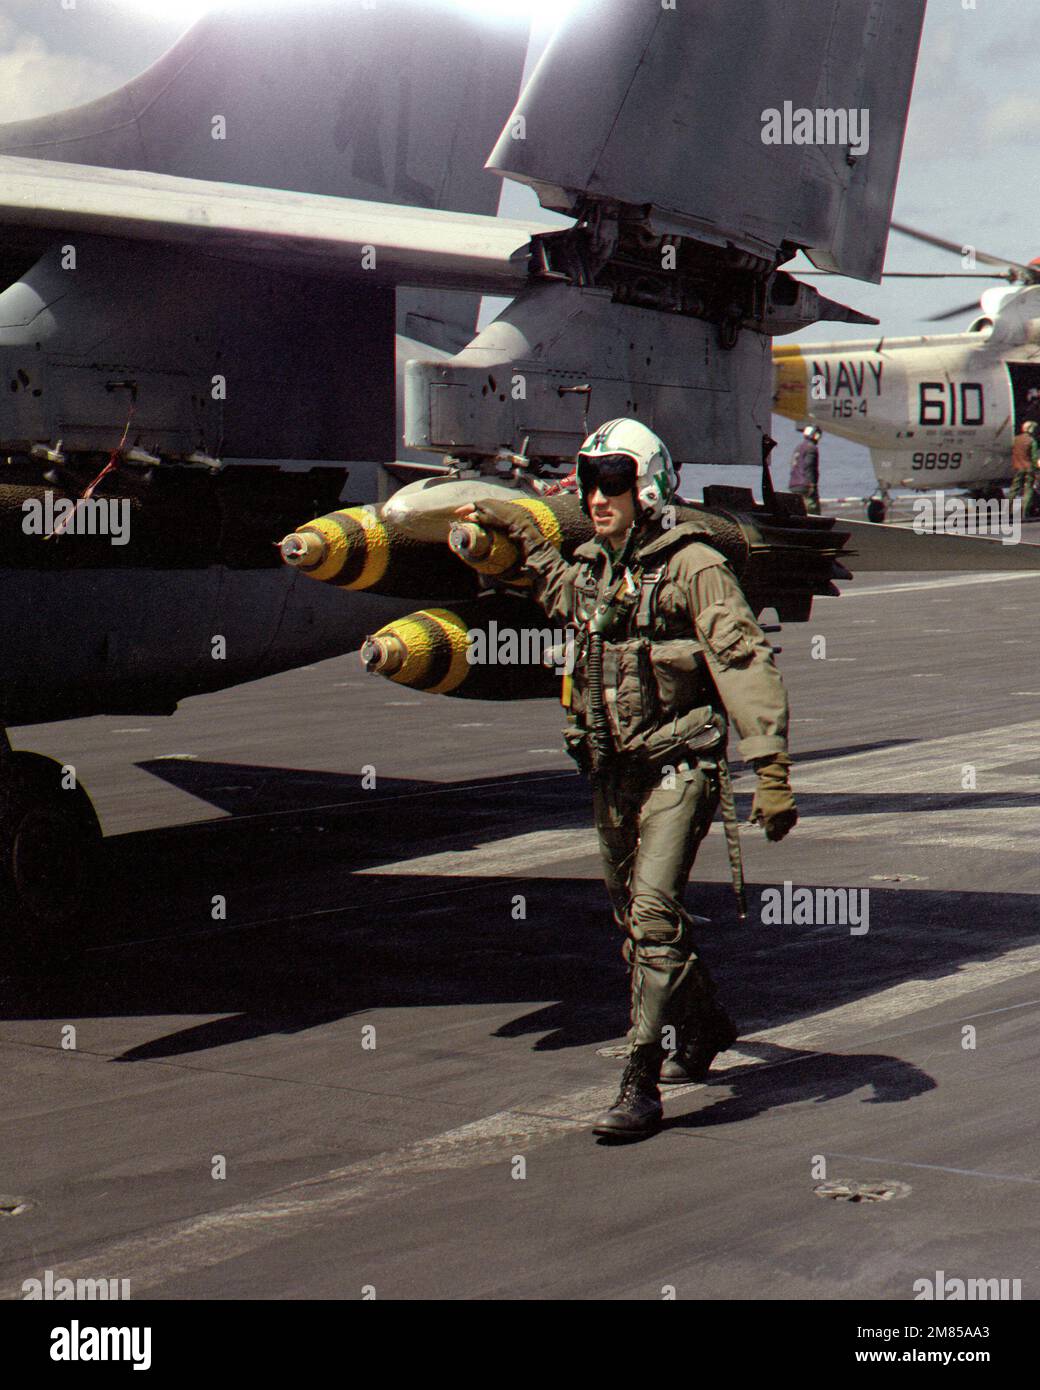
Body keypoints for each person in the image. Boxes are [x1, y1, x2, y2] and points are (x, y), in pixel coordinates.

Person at [457, 419, 797, 1140]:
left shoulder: (693, 564)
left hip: (680, 764)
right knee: (640, 926)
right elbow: (556, 591)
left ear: (645, 486)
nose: (597, 495)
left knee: (650, 915)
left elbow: (741, 660)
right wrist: (515, 524)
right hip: (614, 774)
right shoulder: (594, 567)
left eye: (612, 480)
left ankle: (640, 1082)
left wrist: (770, 769)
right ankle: (705, 1025)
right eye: (589, 482)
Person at [789, 425, 822, 515]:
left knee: (797, 511)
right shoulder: (811, 448)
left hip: (794, 485)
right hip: (805, 486)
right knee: (812, 511)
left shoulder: (798, 447)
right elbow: (809, 466)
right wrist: (812, 485)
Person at [1009, 420, 1039, 519]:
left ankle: (1008, 510)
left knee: (1014, 489)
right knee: (1028, 489)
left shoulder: (1015, 439)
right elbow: (1034, 458)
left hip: (1018, 468)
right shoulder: (1032, 441)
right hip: (1029, 468)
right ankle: (1025, 513)